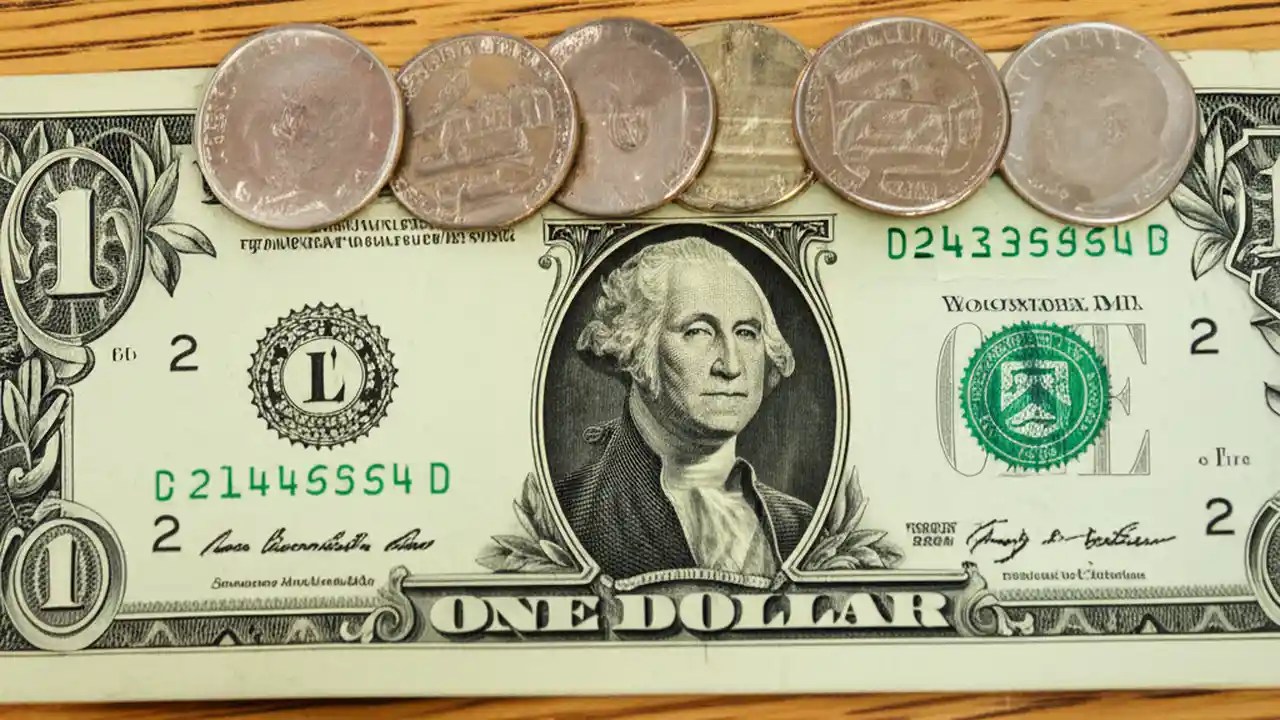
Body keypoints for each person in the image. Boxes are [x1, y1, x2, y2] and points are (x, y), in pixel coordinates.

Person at [554, 236, 813, 580]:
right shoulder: (566, 516)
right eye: (698, 331)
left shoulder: (802, 525)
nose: (731, 365)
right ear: (636, 346)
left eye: (747, 333)